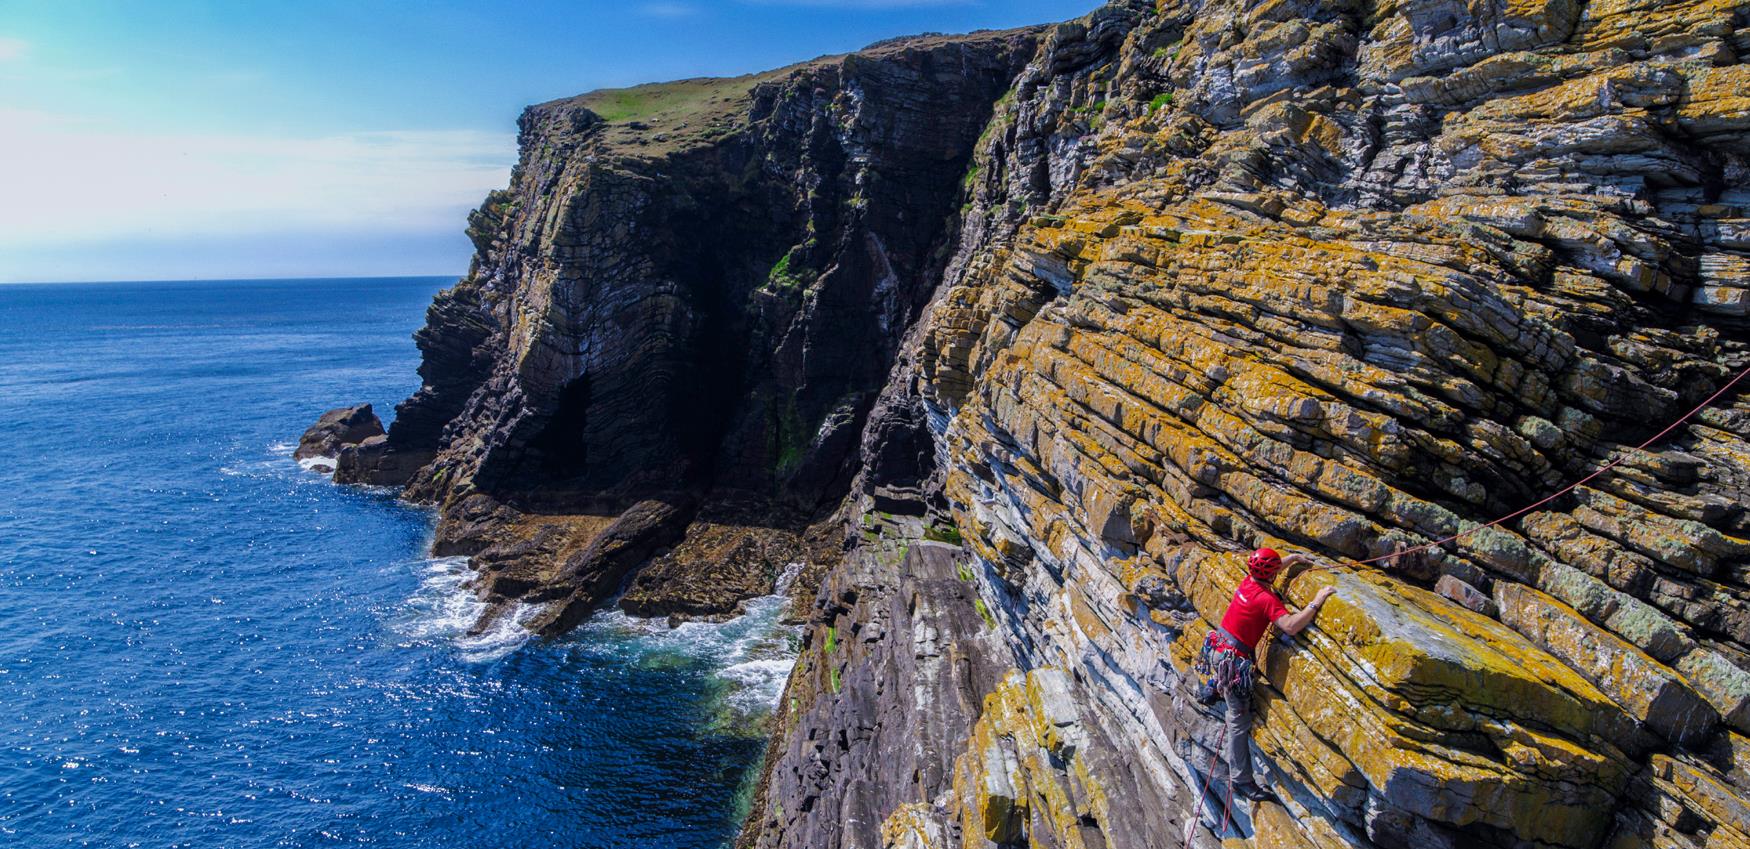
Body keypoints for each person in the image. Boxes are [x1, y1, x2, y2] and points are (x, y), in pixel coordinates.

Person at [1194, 547, 1335, 804]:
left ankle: (1213, 687)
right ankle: (1241, 780)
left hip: (1218, 647)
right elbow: (1290, 626)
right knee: (1238, 720)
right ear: (1272, 574)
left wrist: (1293, 559)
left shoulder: (1248, 582)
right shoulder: (1266, 600)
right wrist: (1316, 601)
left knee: (1227, 671)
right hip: (1232, 662)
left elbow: (1270, 571)